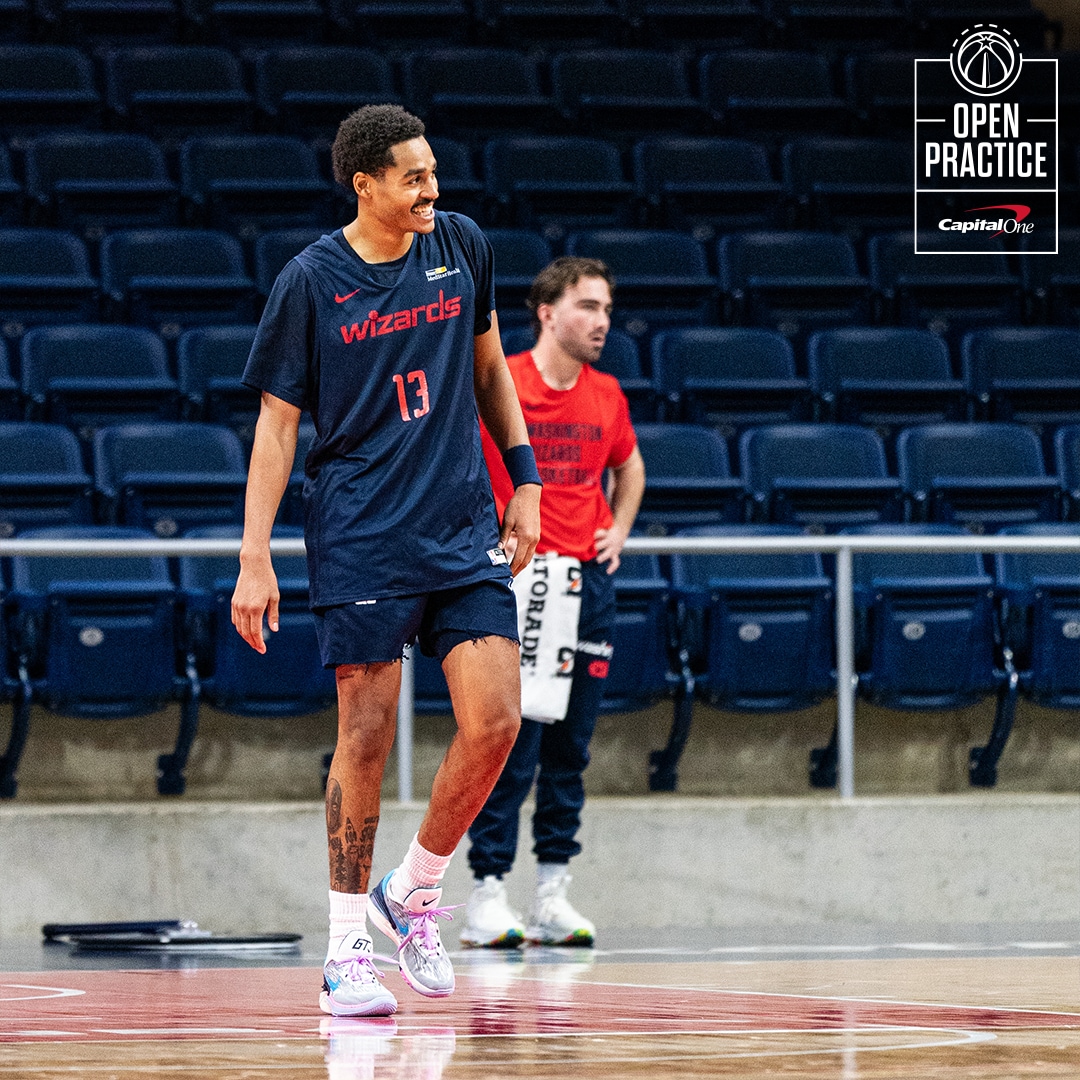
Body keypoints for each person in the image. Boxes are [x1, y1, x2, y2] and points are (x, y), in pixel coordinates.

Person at [231, 104, 542, 1017]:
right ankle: (345, 953)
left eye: (433, 172)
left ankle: (411, 890)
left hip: (459, 526)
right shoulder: (310, 281)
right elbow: (276, 427)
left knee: (497, 721)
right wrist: (257, 555)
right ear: (363, 184)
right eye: (413, 177)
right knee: (364, 736)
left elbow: (490, 368)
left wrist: (522, 480)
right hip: (362, 534)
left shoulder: (462, 243)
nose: (431, 191)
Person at [461, 257, 645, 949]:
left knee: (572, 746)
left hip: (588, 585)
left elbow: (630, 464)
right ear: (547, 312)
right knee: (512, 742)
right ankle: (486, 892)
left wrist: (618, 527)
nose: (602, 321)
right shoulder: (503, 381)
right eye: (588, 307)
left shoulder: (607, 394)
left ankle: (552, 893)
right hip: (522, 580)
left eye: (606, 308)